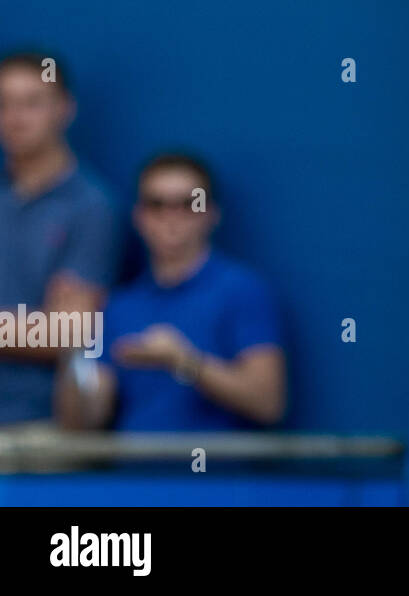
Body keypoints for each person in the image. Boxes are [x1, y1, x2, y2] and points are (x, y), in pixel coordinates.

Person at [56, 153, 287, 430]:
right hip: (133, 459)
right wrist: (73, 348)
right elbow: (85, 421)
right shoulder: (119, 306)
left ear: (211, 213)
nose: (171, 216)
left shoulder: (243, 291)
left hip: (210, 460)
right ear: (139, 216)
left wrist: (183, 361)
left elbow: (267, 402)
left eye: (189, 204)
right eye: (156, 204)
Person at [0, 51, 116, 427]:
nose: (15, 117)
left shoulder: (90, 206)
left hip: (35, 425)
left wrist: (51, 328)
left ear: (64, 109)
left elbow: (67, 332)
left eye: (32, 103)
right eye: (4, 104)